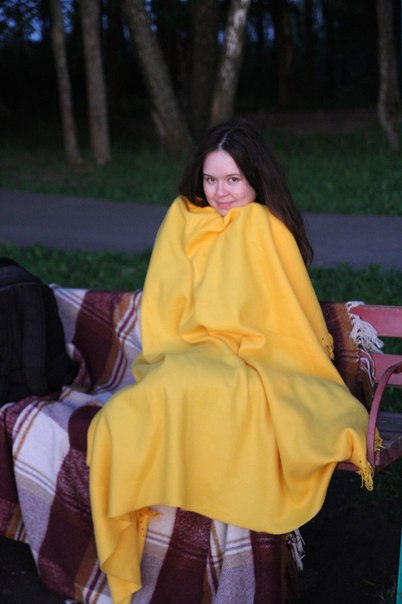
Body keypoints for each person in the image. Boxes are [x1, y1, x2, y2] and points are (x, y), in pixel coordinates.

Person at [87, 118, 372, 604]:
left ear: (255, 179)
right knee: (123, 418)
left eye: (233, 179)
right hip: (189, 354)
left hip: (258, 362)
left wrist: (241, 351)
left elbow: (286, 321)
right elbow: (166, 304)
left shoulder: (263, 226)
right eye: (211, 179)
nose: (220, 193)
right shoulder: (183, 219)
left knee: (187, 398)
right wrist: (194, 347)